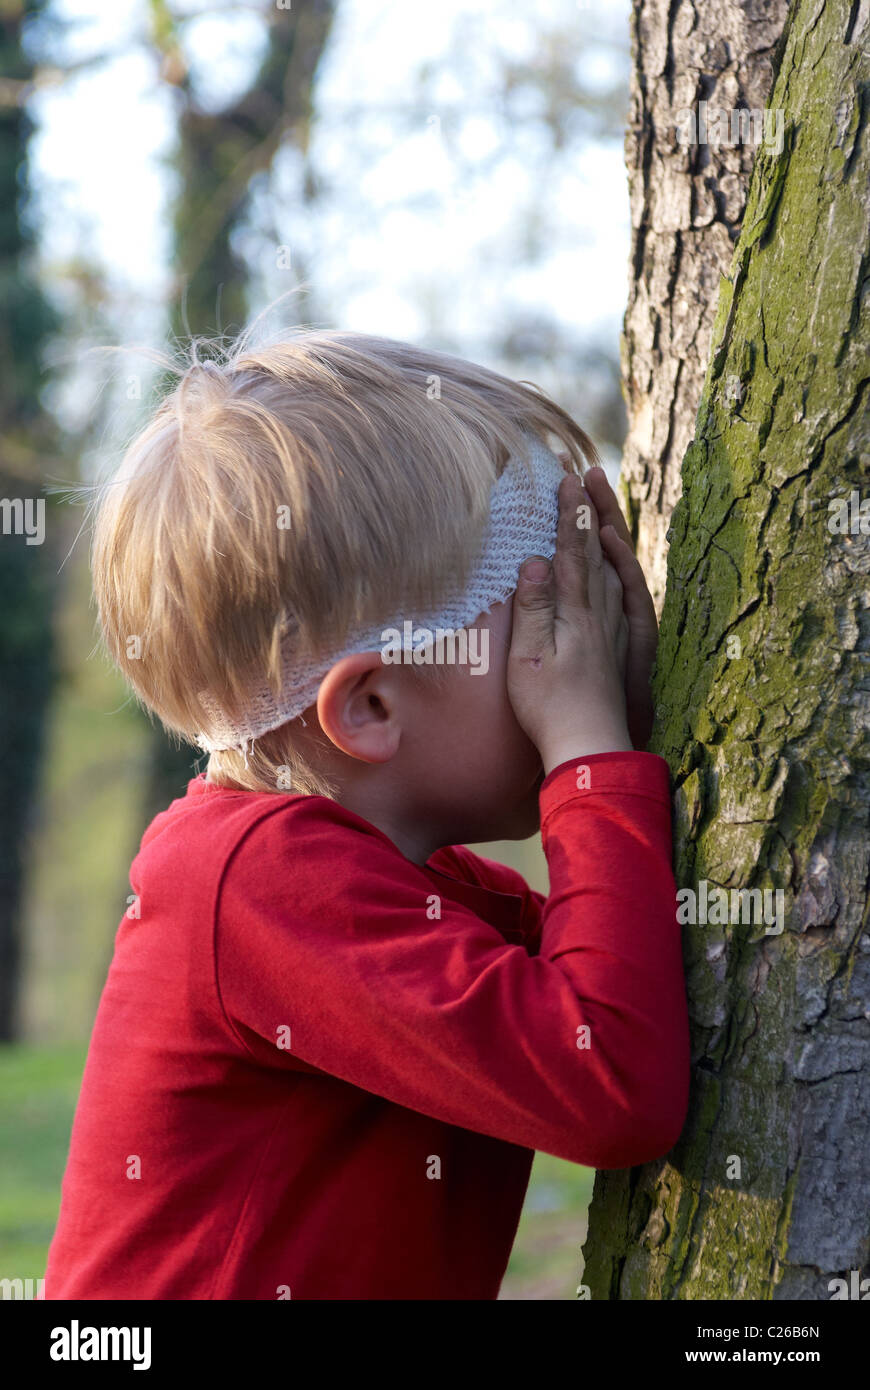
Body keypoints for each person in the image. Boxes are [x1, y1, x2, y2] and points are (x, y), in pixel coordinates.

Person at [45, 328, 689, 1300]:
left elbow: (616, 970)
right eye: (545, 607)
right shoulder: (256, 882)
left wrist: (615, 727)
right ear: (372, 706)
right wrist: (591, 753)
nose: (578, 639)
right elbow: (611, 1082)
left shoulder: (412, 895)